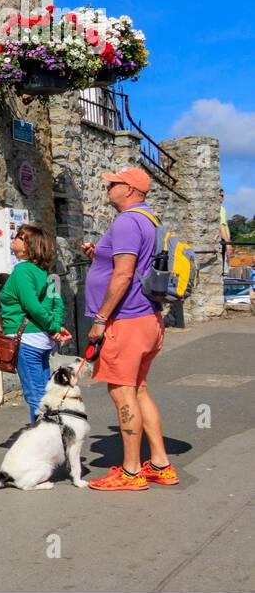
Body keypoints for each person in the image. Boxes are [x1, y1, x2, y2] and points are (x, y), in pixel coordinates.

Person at [80, 167, 176, 491]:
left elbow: (122, 277)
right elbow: (131, 266)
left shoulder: (125, 222)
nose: (108, 185)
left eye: (114, 183)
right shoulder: (149, 220)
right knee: (138, 389)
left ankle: (131, 471)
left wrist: (100, 319)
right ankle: (161, 464)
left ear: (131, 189)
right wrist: (100, 255)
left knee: (122, 391)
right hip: (148, 320)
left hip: (126, 322)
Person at [0, 224, 70, 421]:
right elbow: (57, 306)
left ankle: (44, 441)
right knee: (44, 393)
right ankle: (53, 436)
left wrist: (54, 328)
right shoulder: (48, 274)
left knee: (36, 397)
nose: (14, 238)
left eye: (19, 237)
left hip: (26, 341)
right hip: (42, 341)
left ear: (29, 246)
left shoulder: (22, 271)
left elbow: (32, 306)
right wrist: (54, 327)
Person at [220, 189, 230, 274]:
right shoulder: (221, 209)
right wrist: (228, 244)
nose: (223, 198)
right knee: (223, 271)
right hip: (223, 243)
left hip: (222, 243)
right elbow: (222, 227)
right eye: (221, 195)